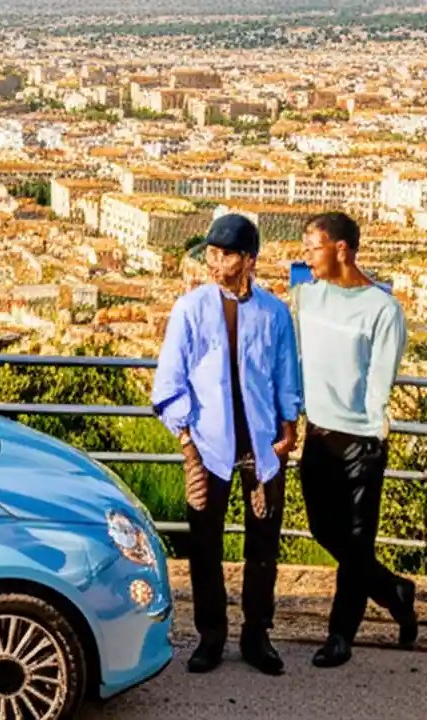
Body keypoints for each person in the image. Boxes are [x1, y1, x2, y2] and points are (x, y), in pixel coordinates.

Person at [151, 213, 301, 676]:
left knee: (263, 548)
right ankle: (210, 636)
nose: (215, 263)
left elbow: (284, 375)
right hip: (207, 445)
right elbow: (170, 380)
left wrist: (290, 425)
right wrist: (186, 439)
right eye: (212, 254)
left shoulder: (275, 313)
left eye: (225, 254)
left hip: (262, 447)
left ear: (249, 260)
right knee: (204, 545)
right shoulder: (189, 309)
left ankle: (258, 636)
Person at [292, 211, 419, 667]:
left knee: (357, 542)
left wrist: (369, 438)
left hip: (360, 440)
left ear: (340, 249)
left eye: (313, 248)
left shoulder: (383, 311)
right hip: (316, 432)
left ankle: (340, 635)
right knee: (324, 530)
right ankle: (394, 590)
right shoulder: (306, 296)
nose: (305, 258)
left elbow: (381, 380)